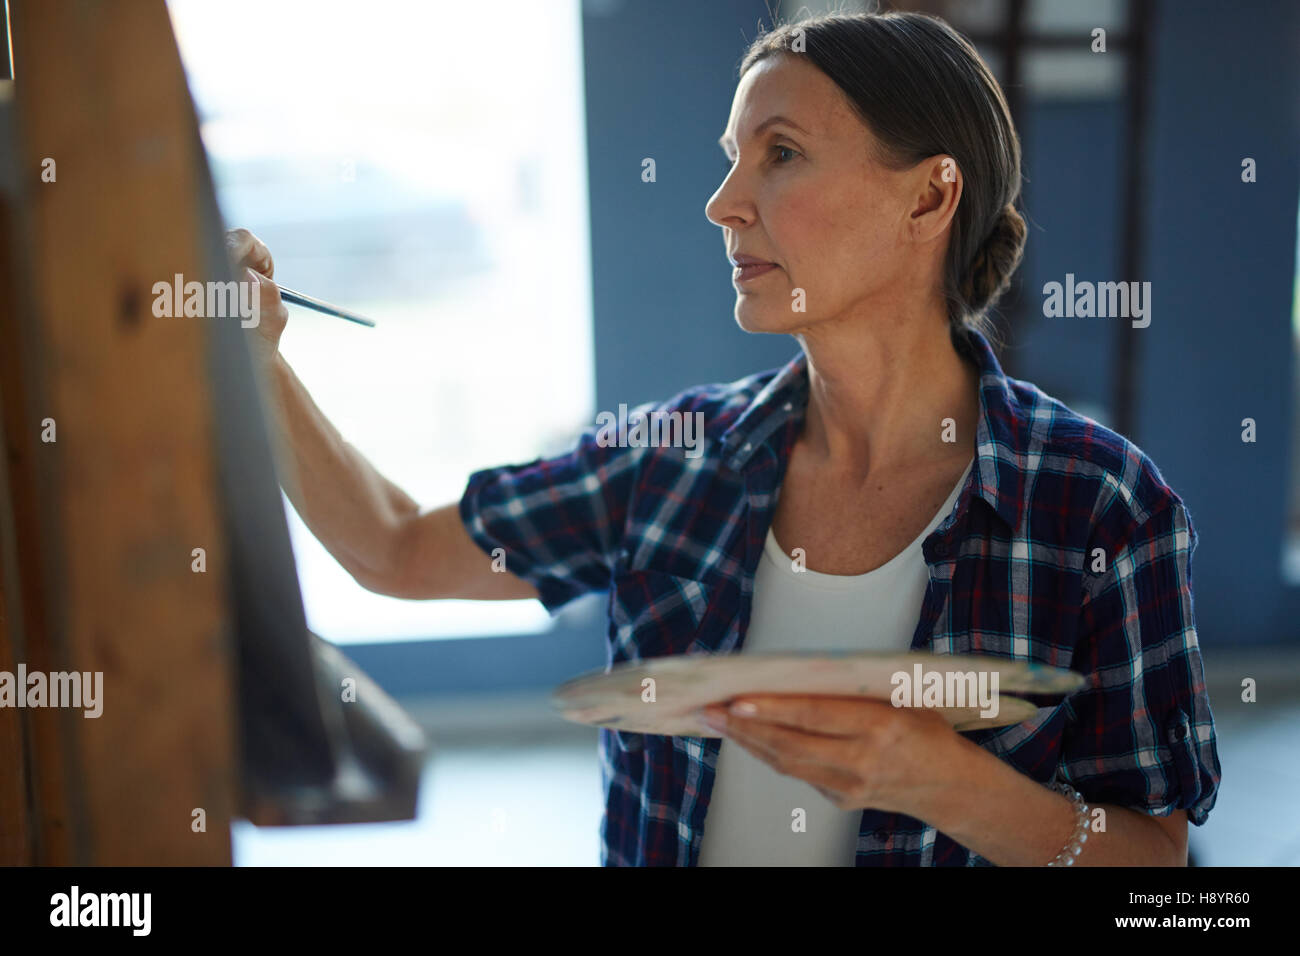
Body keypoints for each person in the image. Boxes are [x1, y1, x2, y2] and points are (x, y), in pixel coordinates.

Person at [228, 10, 1220, 867]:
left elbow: (1158, 859)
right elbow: (397, 546)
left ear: (928, 196)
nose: (721, 204)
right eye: (730, 158)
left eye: (779, 154)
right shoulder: (668, 456)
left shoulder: (1101, 506)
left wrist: (940, 780)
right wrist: (257, 357)